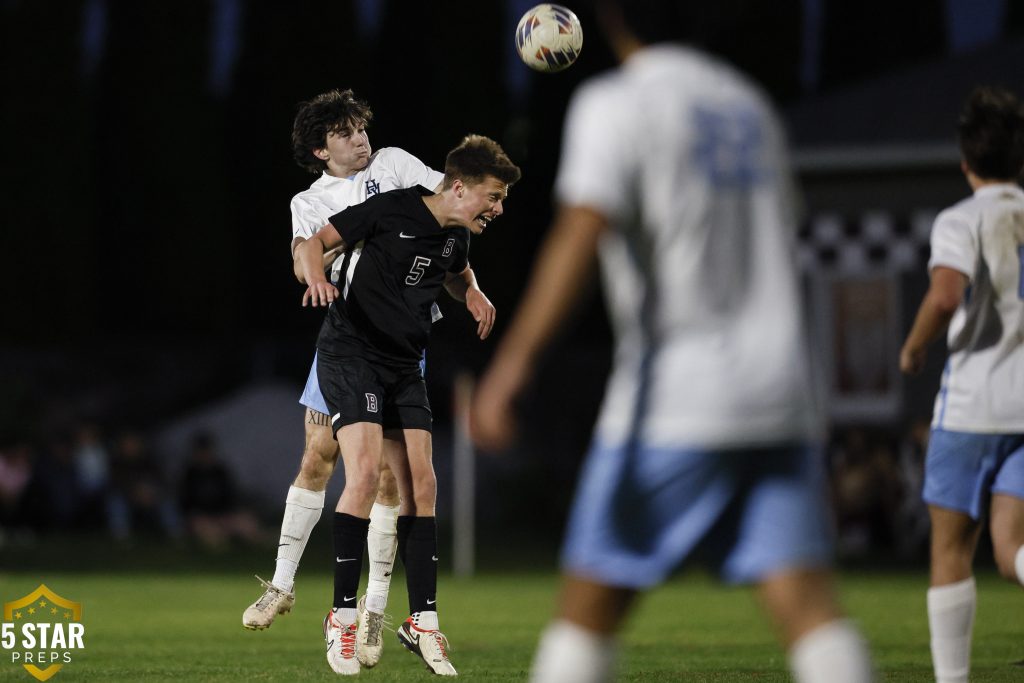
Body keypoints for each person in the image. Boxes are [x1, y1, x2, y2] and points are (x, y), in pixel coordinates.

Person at [469, 2, 875, 681]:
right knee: (809, 610)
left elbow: (581, 229)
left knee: (586, 609)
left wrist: (511, 366)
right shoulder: (749, 107)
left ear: (610, 14)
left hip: (677, 397)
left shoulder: (616, 103)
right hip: (778, 395)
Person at [299, 133, 519, 675]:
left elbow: (453, 270)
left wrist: (471, 291)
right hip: (351, 352)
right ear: (459, 186)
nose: (498, 208)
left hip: (402, 363)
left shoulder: (458, 239)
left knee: (423, 484)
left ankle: (422, 622)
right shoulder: (388, 207)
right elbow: (312, 242)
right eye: (493, 197)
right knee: (365, 474)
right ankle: (342, 618)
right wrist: (316, 275)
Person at [242, 88, 446, 669]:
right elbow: (305, 252)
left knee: (387, 476)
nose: (361, 139)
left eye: (361, 128)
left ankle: (374, 610)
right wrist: (315, 270)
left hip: (403, 340)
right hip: (347, 338)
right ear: (319, 149)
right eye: (346, 133)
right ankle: (282, 584)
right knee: (317, 457)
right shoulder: (310, 200)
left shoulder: (397, 165)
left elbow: (447, 210)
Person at [899, 85, 1024, 683]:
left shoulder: (962, 218)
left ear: (965, 161)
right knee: (1011, 550)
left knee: (951, 551)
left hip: (974, 407)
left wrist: (915, 344)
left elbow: (946, 292)